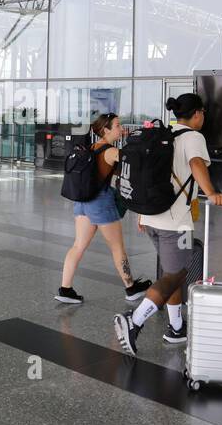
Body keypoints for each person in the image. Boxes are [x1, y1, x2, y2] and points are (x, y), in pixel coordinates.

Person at [114, 93, 222, 355]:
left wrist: (143, 215)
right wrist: (211, 193)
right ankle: (134, 321)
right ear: (197, 113)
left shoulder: (163, 135)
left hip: (150, 218)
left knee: (171, 273)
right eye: (202, 114)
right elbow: (197, 164)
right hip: (176, 223)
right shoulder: (193, 137)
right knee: (176, 274)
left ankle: (176, 327)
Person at [57, 113, 152, 304]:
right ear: (106, 130)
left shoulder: (93, 148)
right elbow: (136, 164)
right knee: (117, 247)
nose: (122, 128)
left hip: (82, 202)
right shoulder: (111, 151)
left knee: (78, 246)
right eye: (117, 125)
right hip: (100, 202)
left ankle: (65, 289)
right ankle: (131, 288)